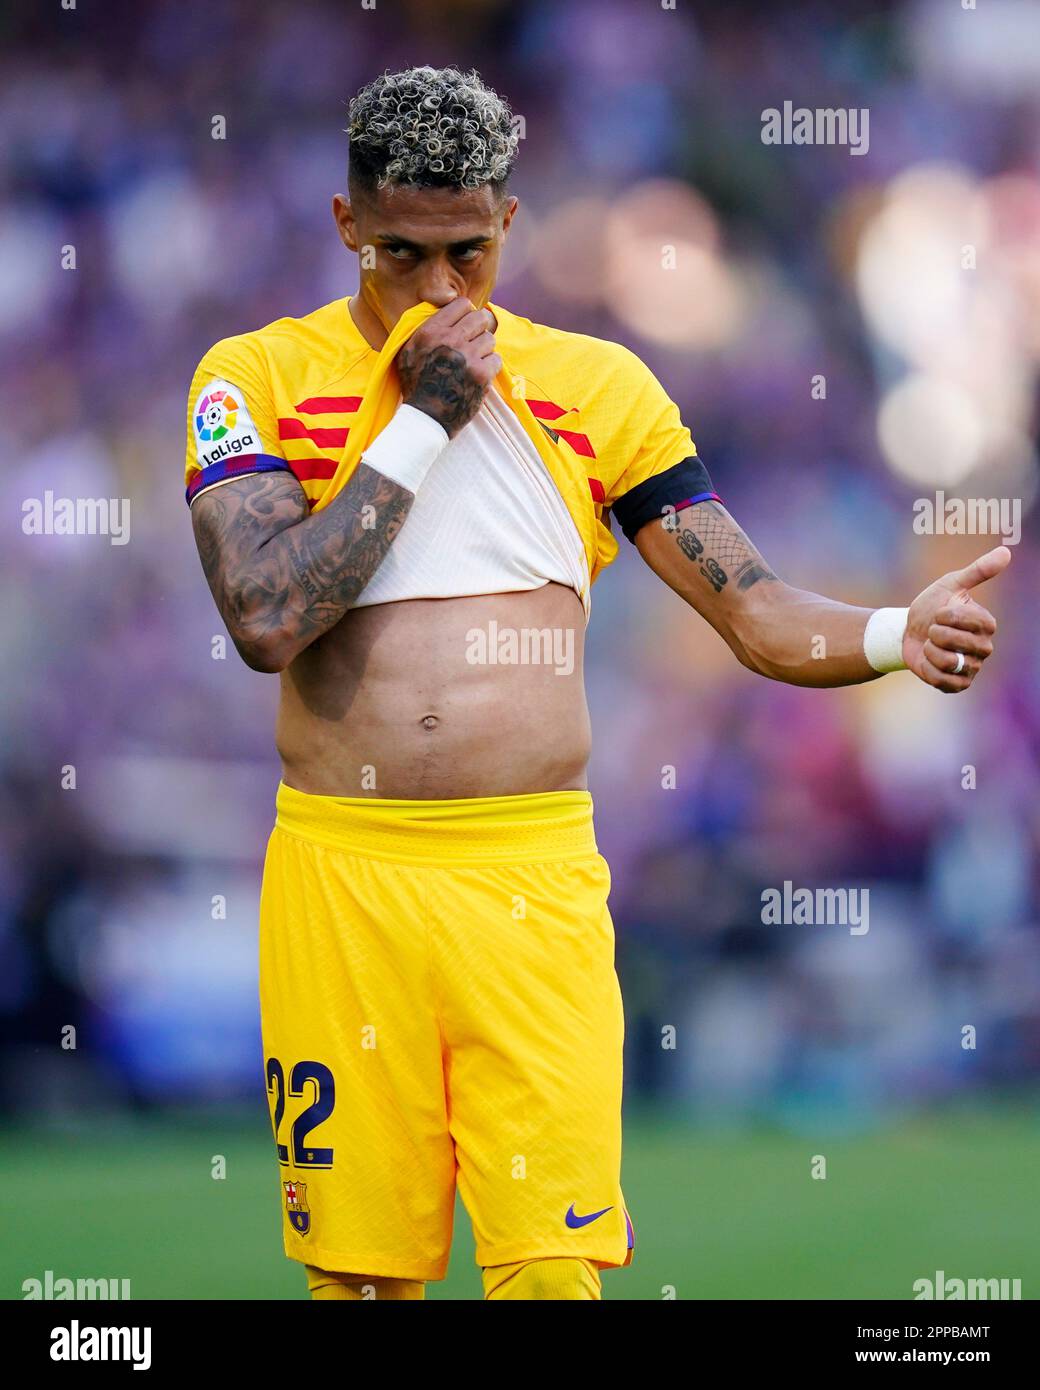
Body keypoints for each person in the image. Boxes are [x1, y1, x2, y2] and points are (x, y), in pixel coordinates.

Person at [184, 65, 1007, 1301]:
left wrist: (899, 629)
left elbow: (757, 610)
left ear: (508, 223)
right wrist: (420, 422)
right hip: (344, 876)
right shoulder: (251, 375)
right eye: (402, 252)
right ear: (345, 222)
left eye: (468, 250)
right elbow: (265, 616)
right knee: (360, 1283)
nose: (441, 289)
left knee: (552, 1269)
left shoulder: (598, 388)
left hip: (530, 880)